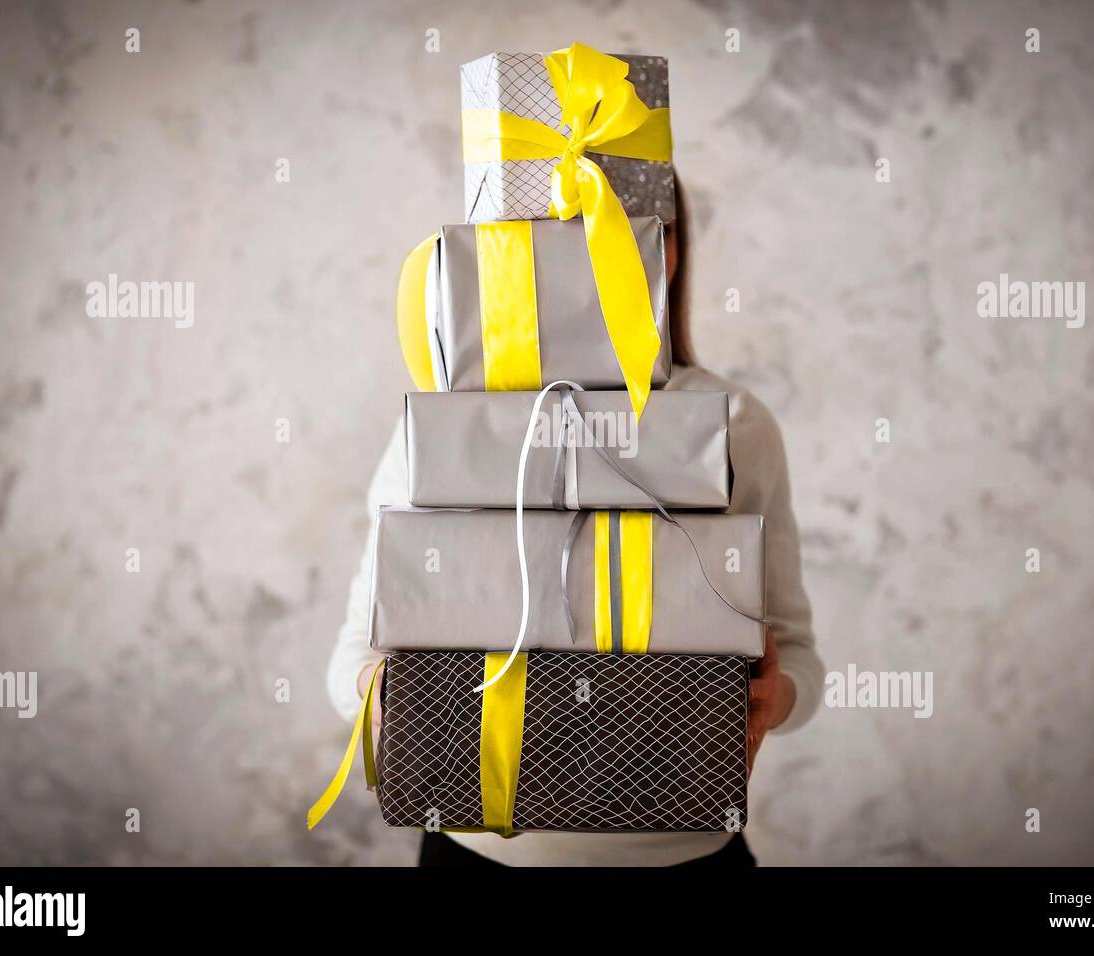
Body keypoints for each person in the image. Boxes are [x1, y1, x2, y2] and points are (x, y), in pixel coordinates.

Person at [326, 177, 825, 866]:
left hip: (689, 858)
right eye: (551, 236)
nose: (576, 255)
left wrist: (774, 696)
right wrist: (391, 696)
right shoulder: (443, 430)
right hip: (472, 855)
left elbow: (797, 657)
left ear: (668, 247)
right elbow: (352, 653)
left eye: (606, 230)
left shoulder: (735, 424)